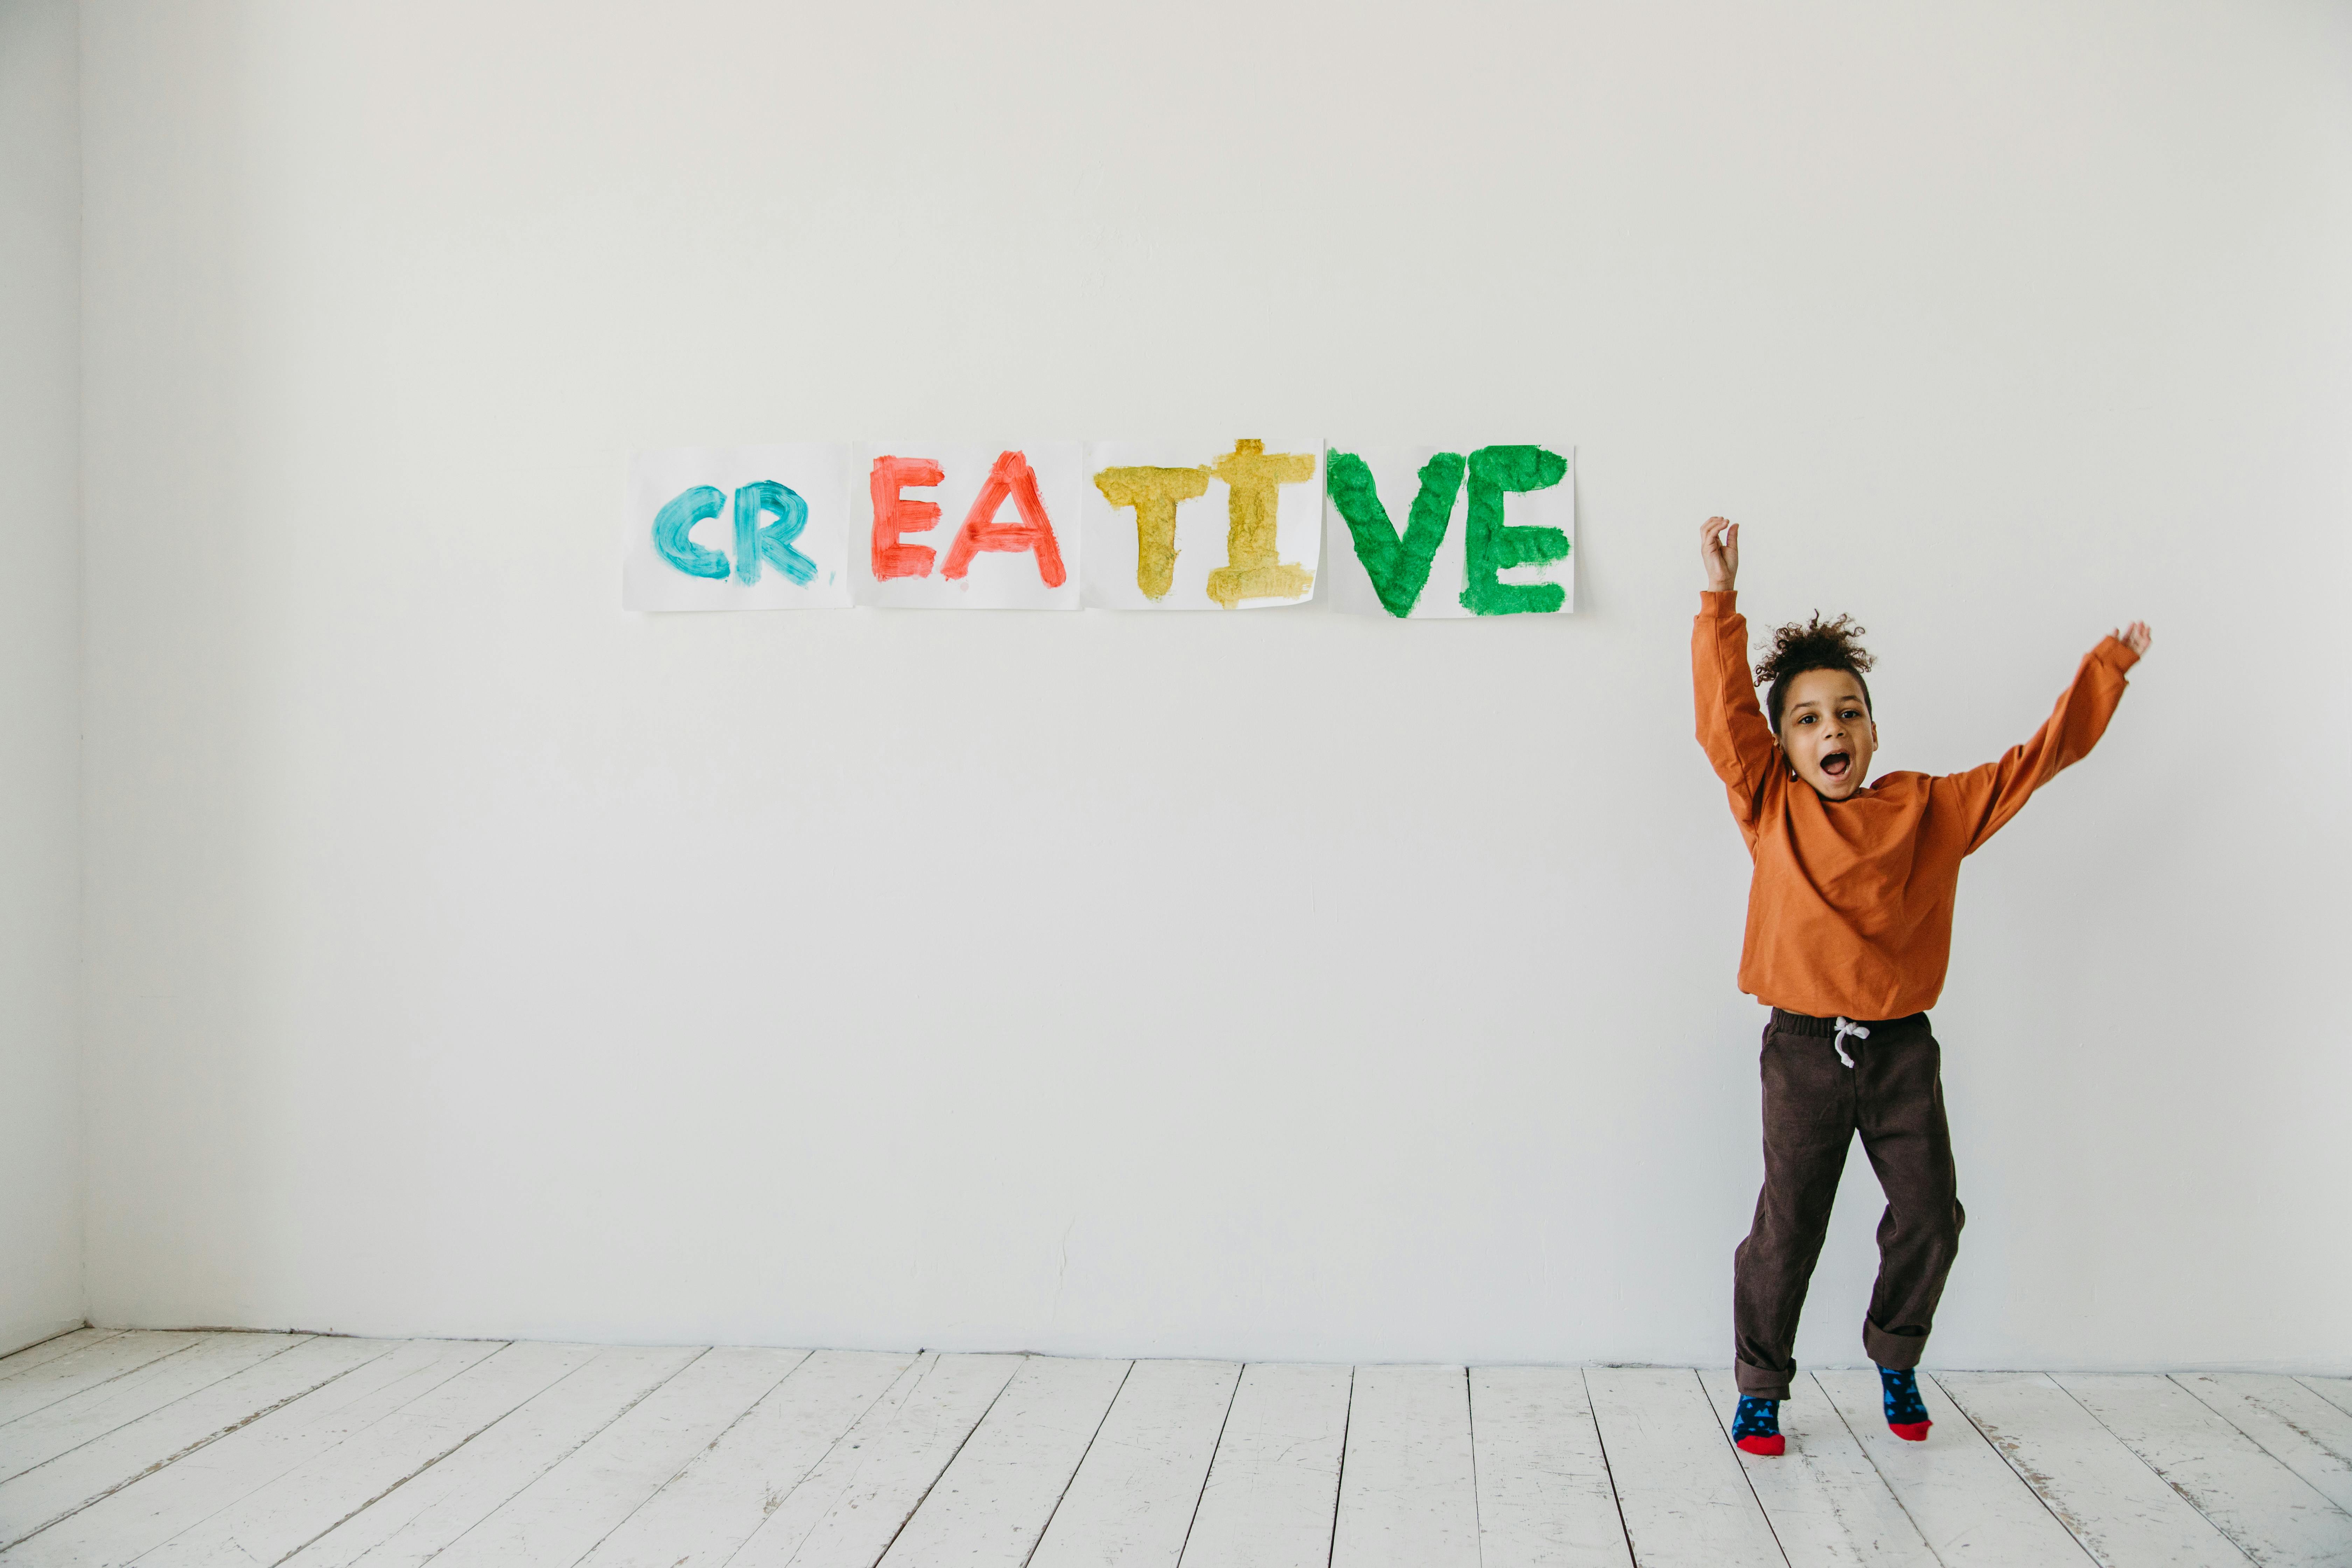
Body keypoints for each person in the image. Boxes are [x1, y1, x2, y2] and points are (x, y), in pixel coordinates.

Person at [1693, 517, 2150, 1456]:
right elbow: (1722, 715)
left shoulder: (1929, 809)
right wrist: (1721, 598)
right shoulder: (1769, 803)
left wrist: (2106, 669)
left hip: (1900, 1051)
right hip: (1804, 1052)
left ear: (1872, 730)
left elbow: (2035, 763)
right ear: (1783, 745)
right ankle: (1761, 1385)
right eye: (1809, 719)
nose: (1833, 729)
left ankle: (1895, 1351)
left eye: (1849, 713)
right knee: (1789, 1227)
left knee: (1932, 1216)